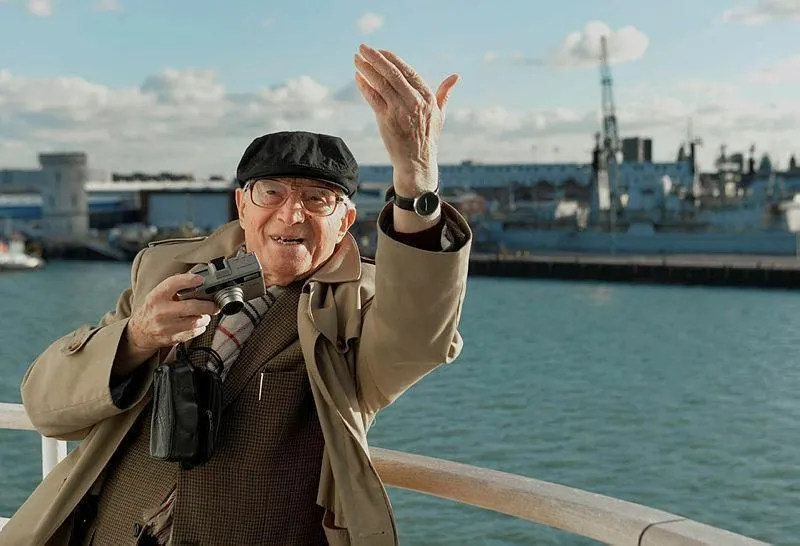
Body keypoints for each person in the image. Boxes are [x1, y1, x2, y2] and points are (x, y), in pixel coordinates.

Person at [0, 44, 471, 545]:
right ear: (242, 205)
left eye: (317, 199)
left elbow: (418, 334)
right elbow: (46, 407)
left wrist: (416, 180)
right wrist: (136, 338)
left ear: (345, 222)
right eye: (272, 193)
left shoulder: (357, 308)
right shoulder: (165, 271)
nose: (291, 215)